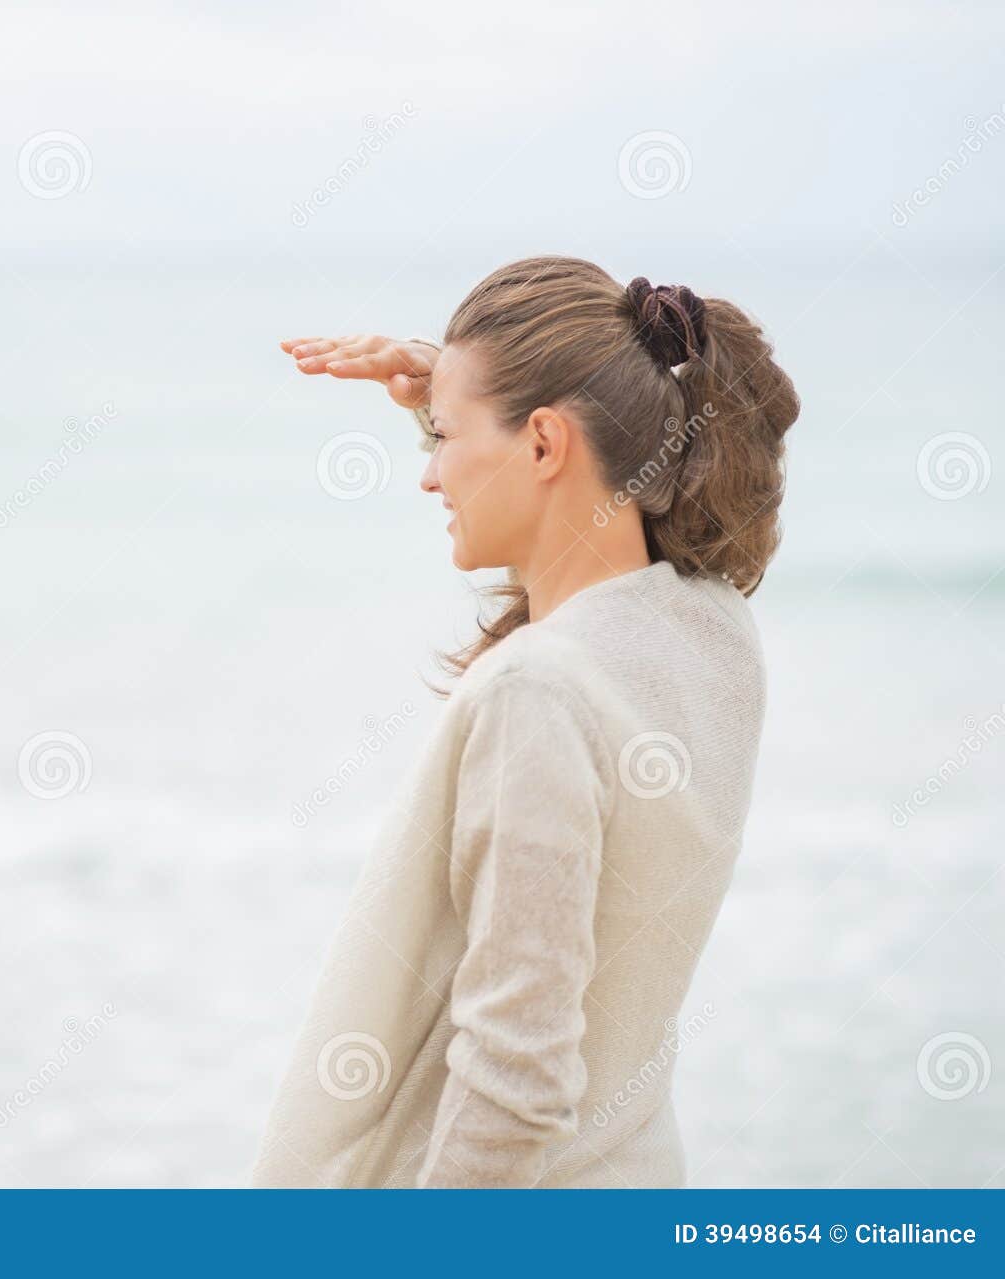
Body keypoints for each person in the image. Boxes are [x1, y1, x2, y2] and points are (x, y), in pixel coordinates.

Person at [252, 256, 800, 1188]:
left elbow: (516, 1079)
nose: (430, 475)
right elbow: (580, 554)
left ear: (545, 444)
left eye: (441, 439)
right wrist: (465, 397)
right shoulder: (712, 635)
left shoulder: (537, 694)